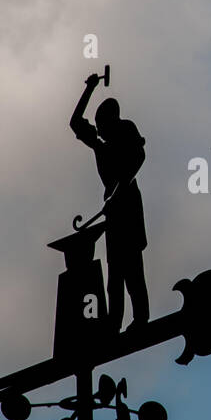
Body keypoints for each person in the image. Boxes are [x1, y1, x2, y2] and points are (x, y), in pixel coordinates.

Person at [69, 73, 150, 331]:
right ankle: (113, 324)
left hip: (127, 208)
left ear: (111, 122)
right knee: (114, 273)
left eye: (101, 124)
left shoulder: (126, 131)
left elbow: (138, 156)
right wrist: (89, 89)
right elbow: (74, 123)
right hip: (113, 213)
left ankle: (140, 318)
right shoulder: (100, 146)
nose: (98, 130)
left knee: (132, 268)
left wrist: (118, 189)